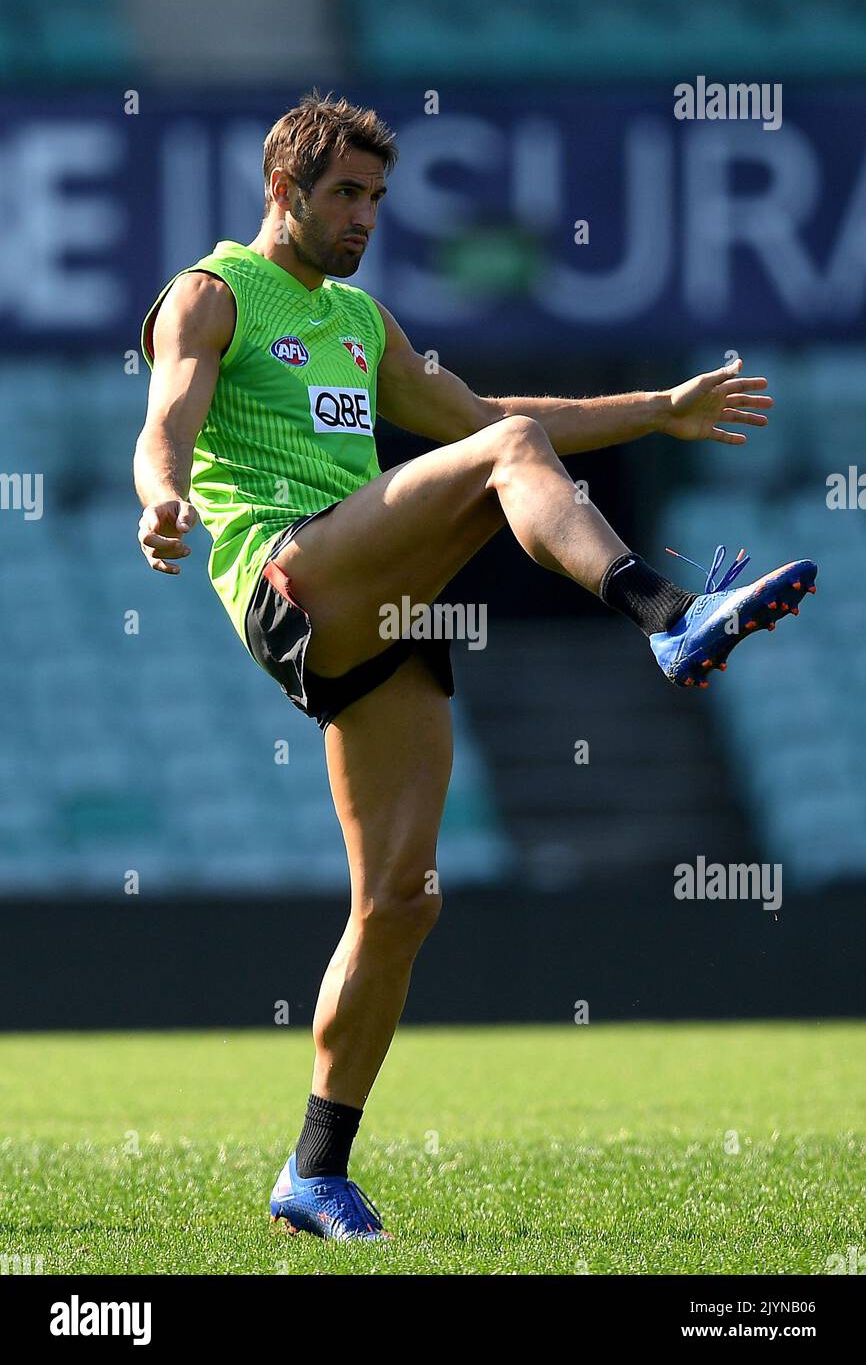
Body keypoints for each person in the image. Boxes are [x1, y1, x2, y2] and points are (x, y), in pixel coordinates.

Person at [134, 92, 816, 1242]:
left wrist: (661, 408)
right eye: (344, 194)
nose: (363, 217)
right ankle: (665, 614)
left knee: (401, 901)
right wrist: (159, 498)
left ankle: (311, 1169)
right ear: (282, 191)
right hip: (290, 576)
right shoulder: (211, 293)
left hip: (382, 607)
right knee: (502, 457)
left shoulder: (359, 317)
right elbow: (169, 418)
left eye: (377, 198)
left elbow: (495, 415)